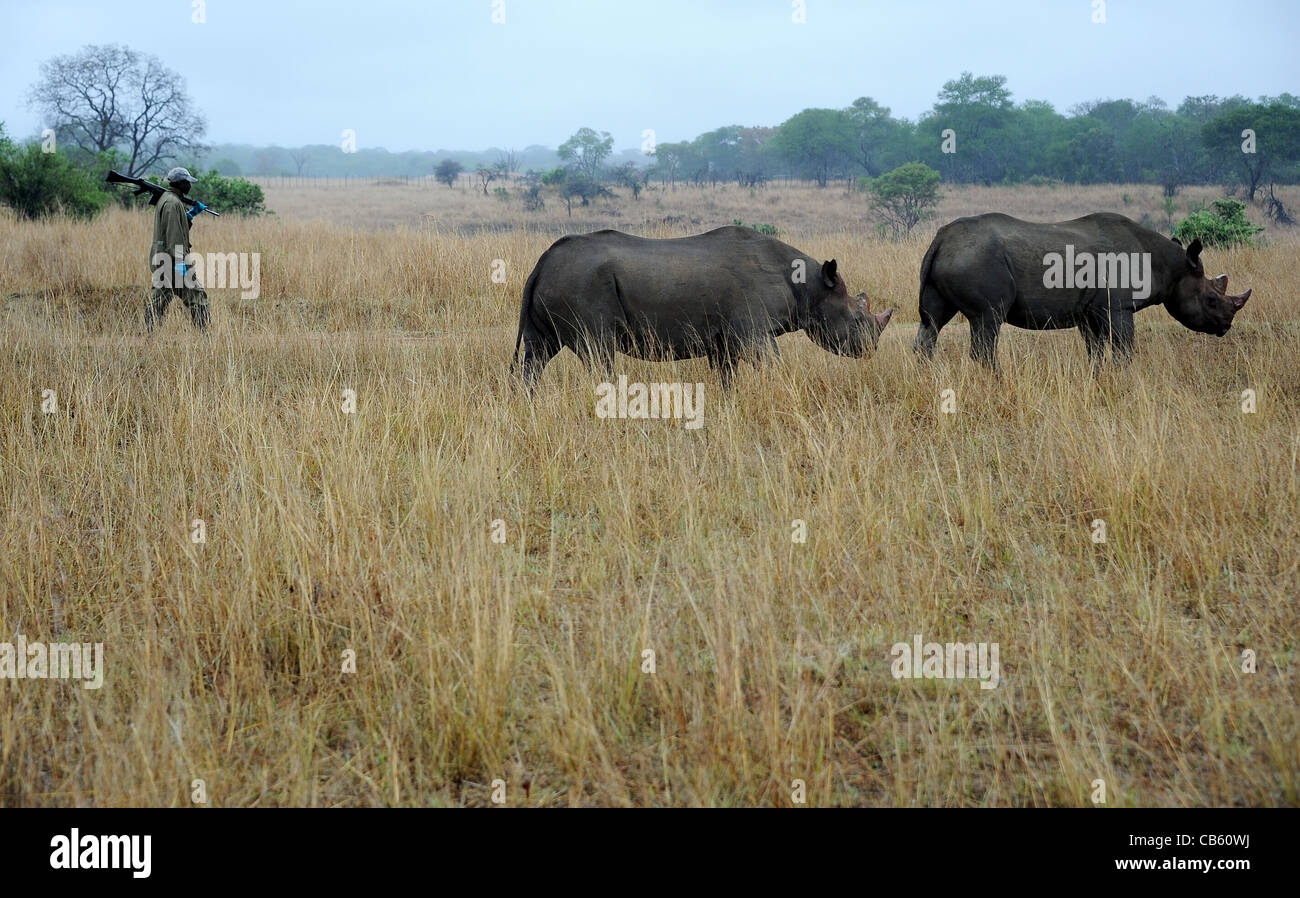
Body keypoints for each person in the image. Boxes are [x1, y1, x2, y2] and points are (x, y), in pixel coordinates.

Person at [147, 167, 210, 332]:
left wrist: (190, 215)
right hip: (172, 259)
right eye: (187, 182)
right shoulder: (173, 203)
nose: (190, 186)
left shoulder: (168, 199)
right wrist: (180, 263)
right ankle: (205, 336)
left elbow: (176, 227)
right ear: (181, 183)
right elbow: (174, 235)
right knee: (197, 296)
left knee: (159, 298)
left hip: (163, 257)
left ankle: (149, 335)